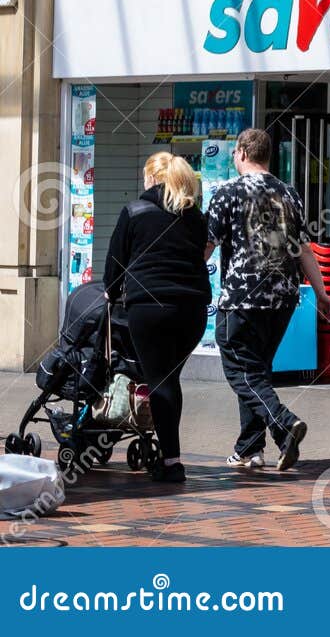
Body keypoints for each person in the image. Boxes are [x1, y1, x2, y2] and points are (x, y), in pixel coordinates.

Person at [206, 128, 330, 471]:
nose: (234, 158)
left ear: (243, 153)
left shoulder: (227, 193)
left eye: (235, 153)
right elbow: (305, 249)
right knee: (257, 372)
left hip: (241, 298)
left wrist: (183, 276)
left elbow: (207, 245)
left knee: (239, 371)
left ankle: (284, 423)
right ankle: (249, 448)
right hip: (283, 298)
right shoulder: (289, 193)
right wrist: (321, 293)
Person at [103, 152, 210, 483]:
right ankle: (168, 455)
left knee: (160, 380)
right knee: (169, 379)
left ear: (151, 178)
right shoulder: (195, 218)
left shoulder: (134, 212)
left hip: (150, 307)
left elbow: (114, 267)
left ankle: (172, 463)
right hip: (192, 310)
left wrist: (110, 292)